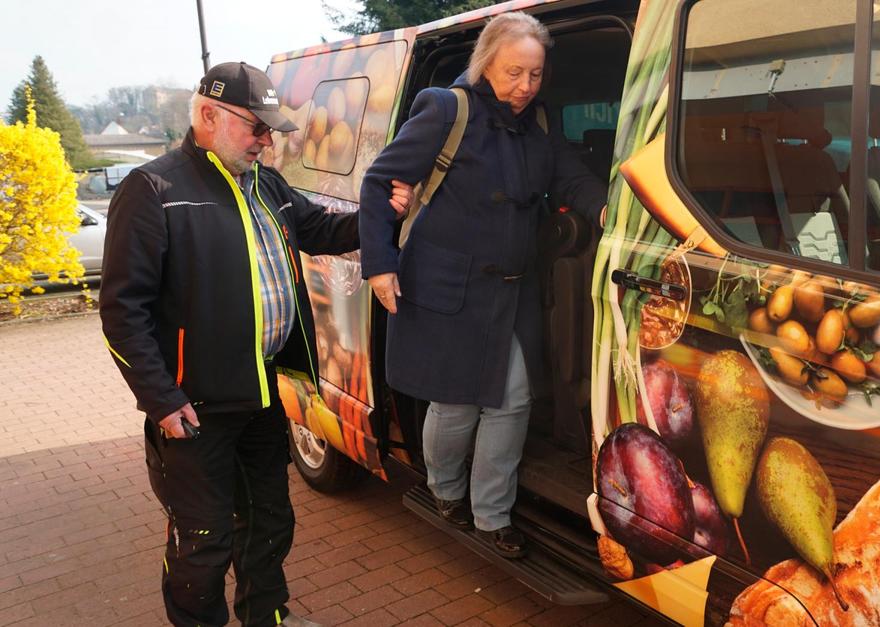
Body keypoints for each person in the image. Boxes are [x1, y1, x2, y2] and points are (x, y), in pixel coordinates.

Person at [99, 62, 408, 627]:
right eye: (255, 127)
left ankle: (267, 618)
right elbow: (122, 312)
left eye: (271, 129)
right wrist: (162, 400)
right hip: (194, 408)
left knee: (269, 521)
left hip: (264, 392)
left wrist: (380, 213)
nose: (267, 141)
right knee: (204, 540)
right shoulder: (154, 190)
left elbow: (321, 230)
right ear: (208, 115)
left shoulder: (268, 185)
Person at [359, 12, 607, 558]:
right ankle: (446, 489)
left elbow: (569, 176)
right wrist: (380, 264)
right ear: (486, 62)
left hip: (512, 290)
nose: (525, 87)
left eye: (535, 75)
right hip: (450, 287)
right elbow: (380, 181)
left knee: (513, 400)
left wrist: (610, 209)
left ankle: (491, 514)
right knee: (456, 404)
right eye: (515, 72)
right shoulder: (447, 108)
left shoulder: (537, 122)